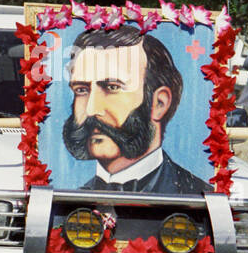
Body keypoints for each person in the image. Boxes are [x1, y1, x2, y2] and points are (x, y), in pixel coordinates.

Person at [62, 26, 210, 195]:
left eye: (112, 87)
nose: (91, 109)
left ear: (159, 103)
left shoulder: (198, 195)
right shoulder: (64, 203)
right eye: (81, 90)